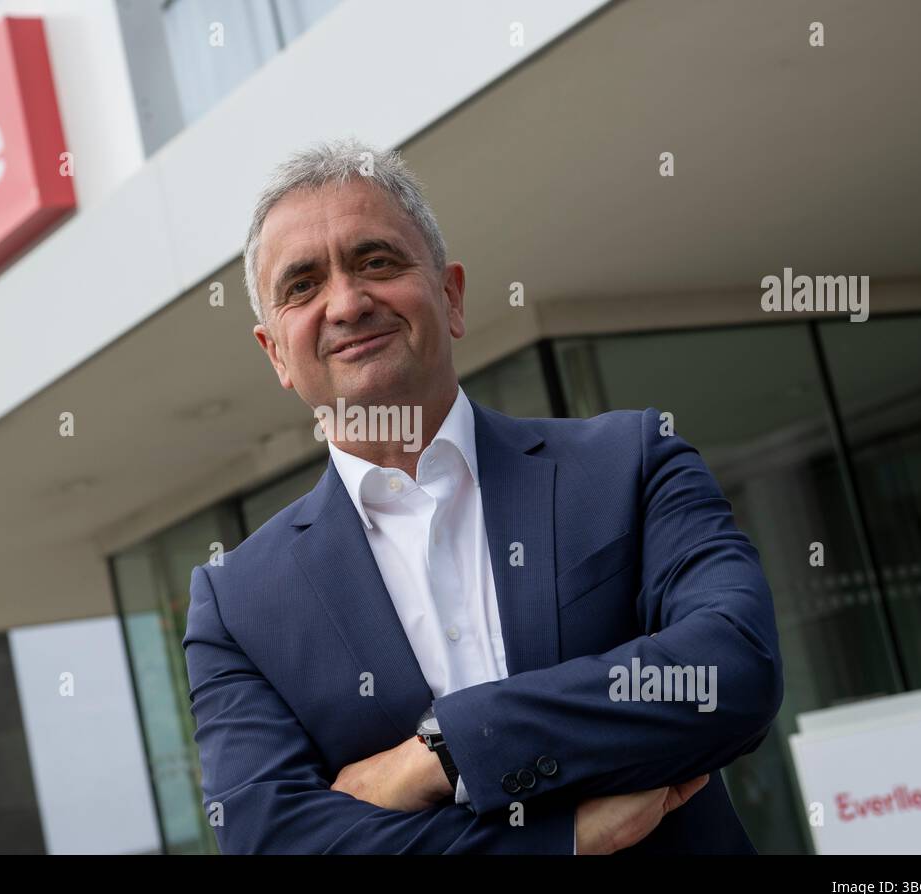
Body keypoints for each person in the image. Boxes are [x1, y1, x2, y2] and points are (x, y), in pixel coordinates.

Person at [182, 138, 783, 853]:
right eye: (303, 285)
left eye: (376, 261)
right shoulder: (237, 605)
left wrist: (440, 752)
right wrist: (559, 841)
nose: (347, 302)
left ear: (452, 295)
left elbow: (731, 669)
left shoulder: (631, 462)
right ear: (276, 351)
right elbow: (272, 842)